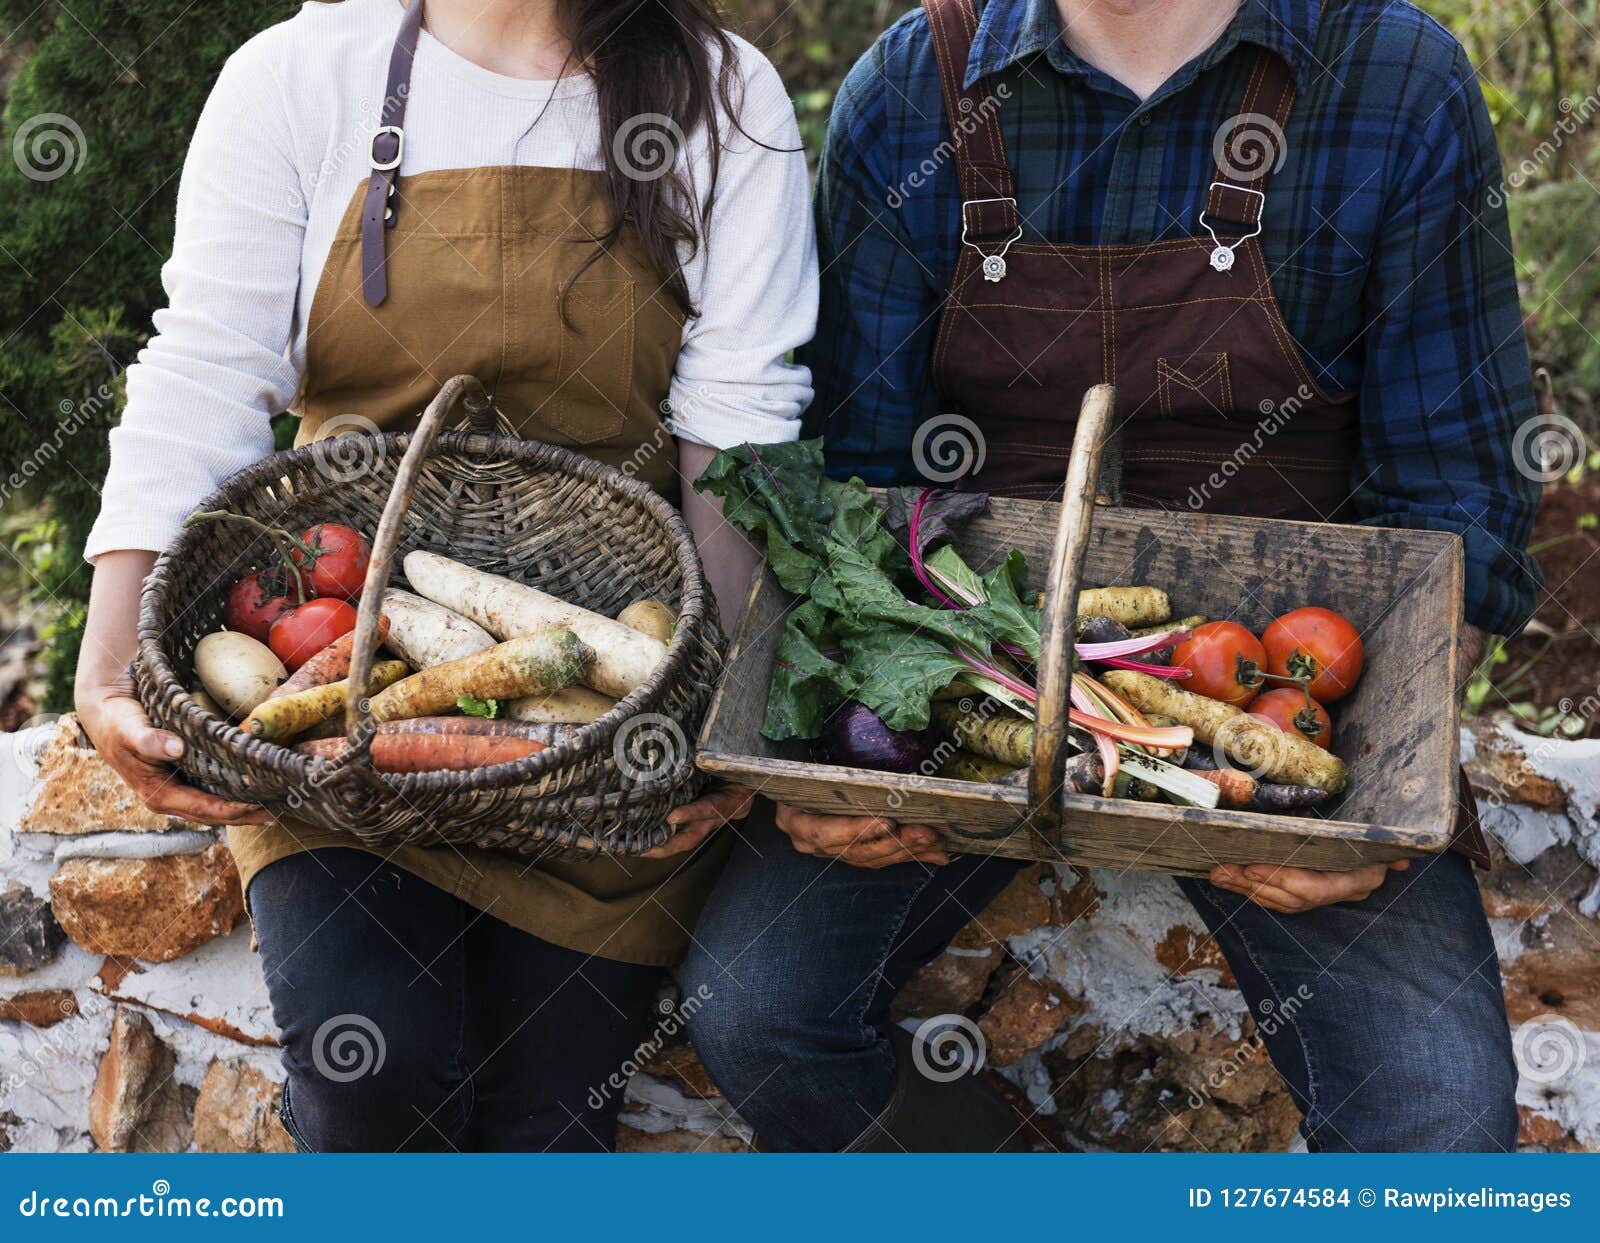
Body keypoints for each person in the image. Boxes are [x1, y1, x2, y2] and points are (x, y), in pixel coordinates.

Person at [685, 0, 1541, 1153]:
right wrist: (836, 763)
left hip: (1277, 716)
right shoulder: (915, 86)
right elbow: (858, 481)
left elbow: (1458, 506)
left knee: (1437, 1115)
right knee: (753, 1009)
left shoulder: (1393, 77)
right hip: (973, 688)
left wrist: (1376, 798)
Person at [75, 0, 814, 1152]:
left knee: (549, 1127)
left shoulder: (721, 95)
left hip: (599, 729)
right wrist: (109, 656)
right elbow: (205, 374)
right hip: (334, 704)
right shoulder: (299, 77)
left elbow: (738, 433)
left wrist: (725, 721)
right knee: (374, 1071)